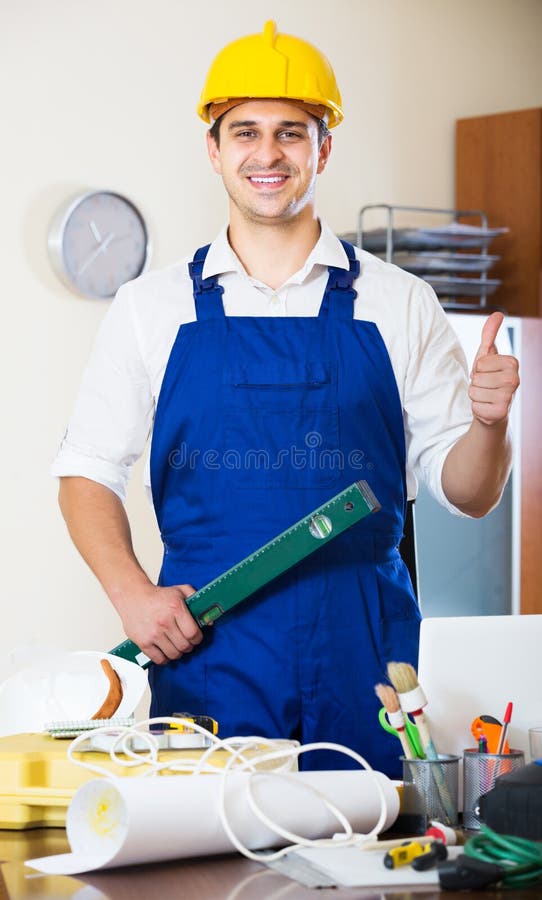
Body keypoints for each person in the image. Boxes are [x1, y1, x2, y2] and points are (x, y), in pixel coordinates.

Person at [52, 21, 519, 776]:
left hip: (367, 666)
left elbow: (467, 492)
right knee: (214, 880)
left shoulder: (399, 302)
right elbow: (85, 472)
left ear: (322, 147)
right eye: (244, 132)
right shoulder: (150, 307)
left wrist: (491, 426)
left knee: (372, 875)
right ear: (213, 147)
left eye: (291, 133)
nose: (266, 154)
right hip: (212, 661)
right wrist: (133, 595)